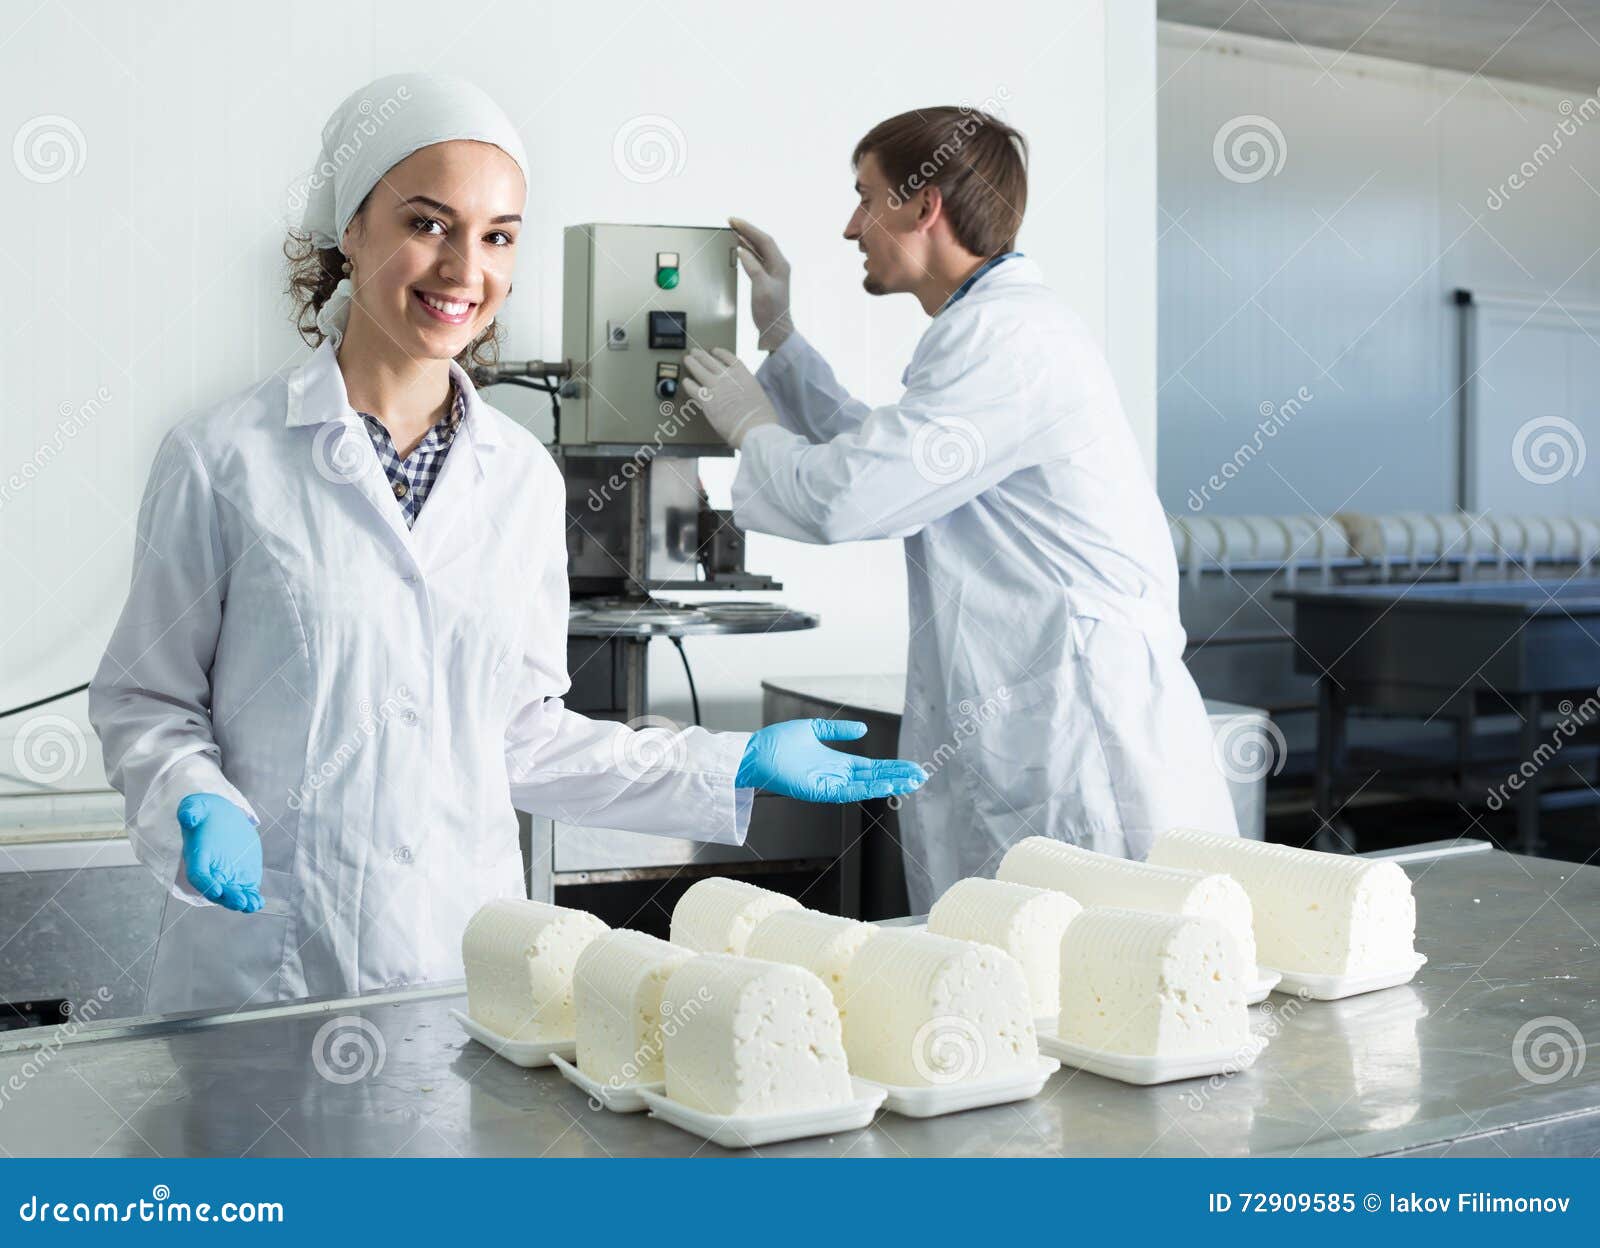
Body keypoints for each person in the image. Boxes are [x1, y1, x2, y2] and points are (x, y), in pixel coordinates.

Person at [88, 73, 924, 1016]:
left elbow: (523, 739)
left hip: (456, 974)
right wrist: (193, 801)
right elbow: (145, 701)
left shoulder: (520, 477)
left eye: (496, 237)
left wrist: (726, 763)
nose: (462, 271)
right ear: (350, 230)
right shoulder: (222, 458)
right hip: (265, 973)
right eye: (427, 224)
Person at [681, 107, 1236, 915]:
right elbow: (890, 457)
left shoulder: (1007, 340)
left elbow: (850, 496)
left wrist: (753, 424)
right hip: (1034, 735)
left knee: (1096, 988)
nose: (850, 227)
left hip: (1079, 751)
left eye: (865, 198)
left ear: (925, 204)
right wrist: (781, 336)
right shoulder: (990, 333)